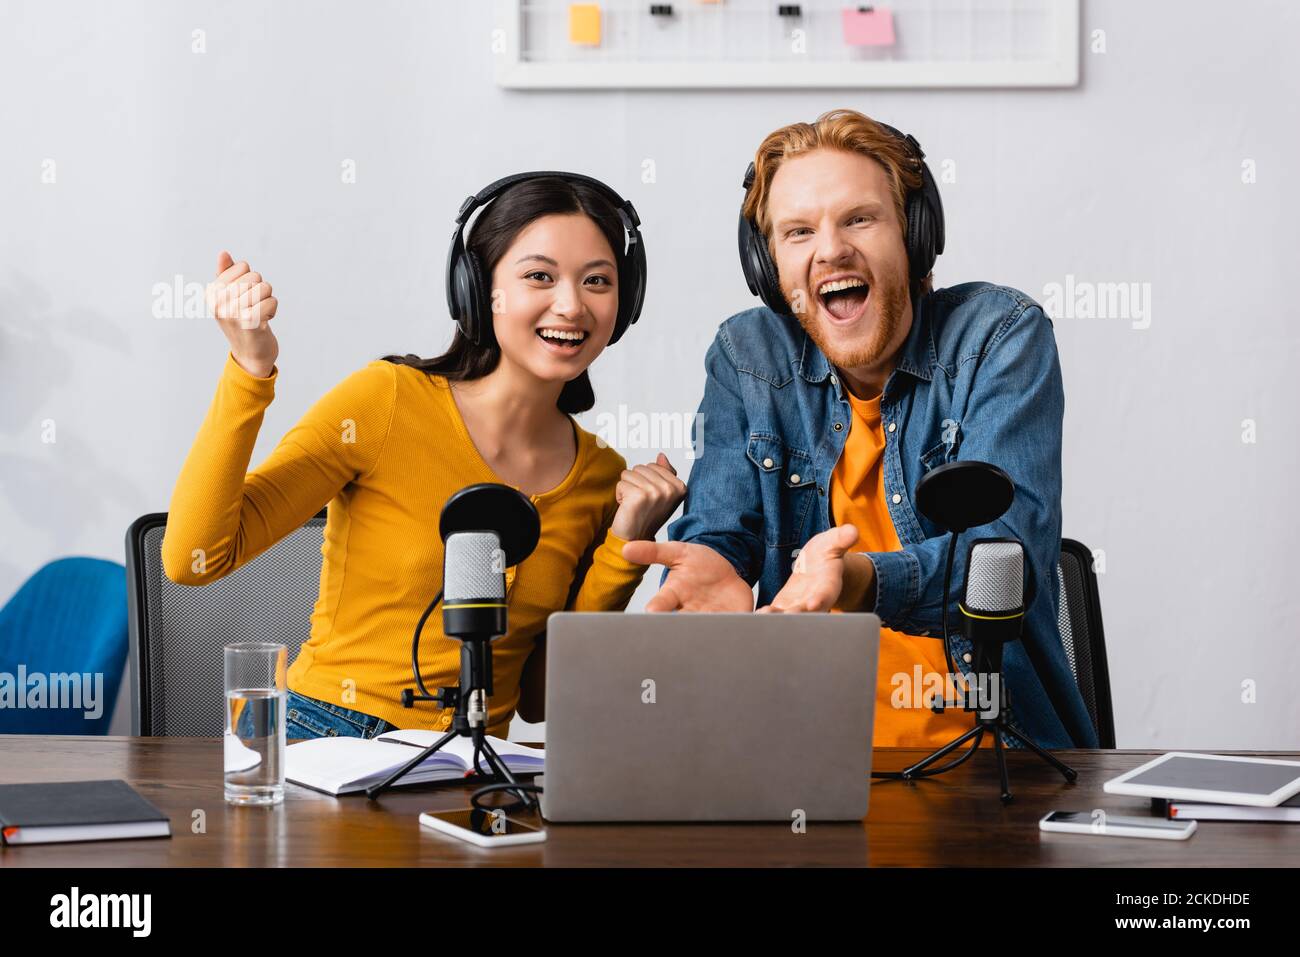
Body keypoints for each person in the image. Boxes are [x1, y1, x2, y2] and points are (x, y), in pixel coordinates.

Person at [624, 109, 1098, 751]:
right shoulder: (748, 356)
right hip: (801, 758)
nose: (830, 250)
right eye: (797, 232)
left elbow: (1003, 559)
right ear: (769, 267)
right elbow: (722, 532)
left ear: (915, 234)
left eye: (859, 218)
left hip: (993, 760)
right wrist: (709, 561)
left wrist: (860, 581)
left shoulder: (997, 334)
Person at [163, 173, 685, 741]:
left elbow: (539, 701)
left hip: (469, 766)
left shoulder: (601, 479)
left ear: (624, 302)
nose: (571, 305)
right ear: (477, 288)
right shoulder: (387, 401)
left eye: (597, 281)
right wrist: (249, 368)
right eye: (539, 275)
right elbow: (193, 559)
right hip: (319, 734)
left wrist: (623, 549)